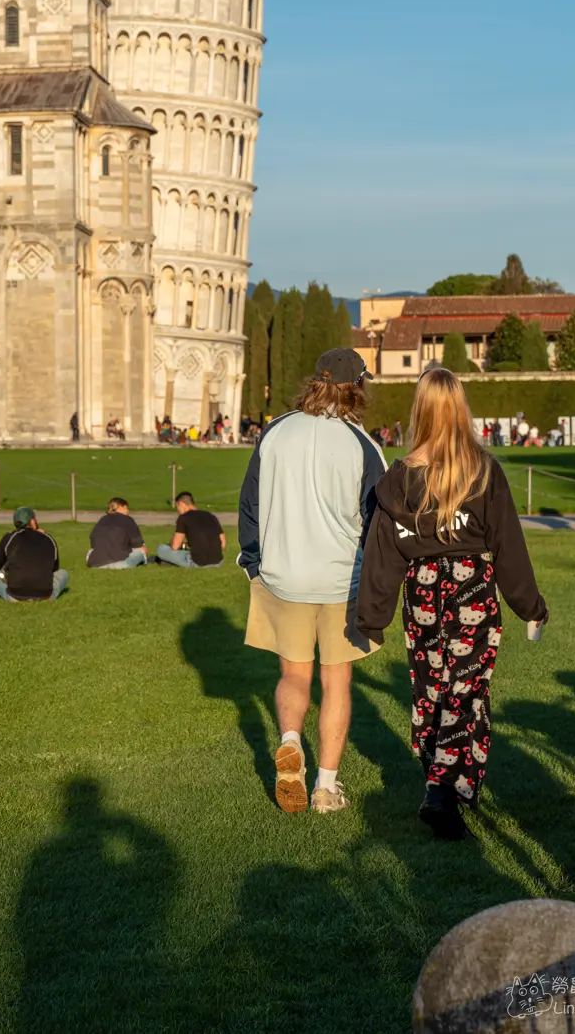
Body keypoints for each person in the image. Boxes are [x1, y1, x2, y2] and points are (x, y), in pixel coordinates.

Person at [356, 368, 548, 841]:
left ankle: (438, 782)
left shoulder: (399, 478)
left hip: (421, 592)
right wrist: (530, 606)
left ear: (419, 409)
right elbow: (508, 546)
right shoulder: (481, 470)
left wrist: (372, 618)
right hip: (472, 594)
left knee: (430, 691)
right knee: (466, 693)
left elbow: (383, 554)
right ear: (460, 409)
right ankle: (444, 789)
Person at [239, 347, 385, 815]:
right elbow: (376, 523)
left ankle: (289, 742)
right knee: (336, 682)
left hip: (284, 574)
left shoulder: (277, 431)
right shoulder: (362, 445)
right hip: (342, 580)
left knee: (293, 673)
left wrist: (253, 562)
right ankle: (325, 788)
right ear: (356, 388)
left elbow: (250, 503)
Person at [0, 506, 68, 602]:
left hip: (15, 596)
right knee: (63, 573)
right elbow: (55, 568)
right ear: (32, 521)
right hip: (45, 595)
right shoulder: (49, 539)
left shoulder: (10, 537)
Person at [156, 492, 227, 568]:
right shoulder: (211, 516)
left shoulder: (183, 518)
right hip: (218, 562)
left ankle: (169, 561)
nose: (178, 511)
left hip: (197, 562)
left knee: (161, 548)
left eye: (177, 507)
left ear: (181, 504)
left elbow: (175, 546)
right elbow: (223, 544)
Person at [87, 497, 148, 569]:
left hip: (95, 563)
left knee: (91, 551)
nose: (128, 511)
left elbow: (93, 543)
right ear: (122, 506)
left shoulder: (102, 519)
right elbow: (138, 544)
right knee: (142, 551)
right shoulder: (127, 519)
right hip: (120, 563)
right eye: (127, 508)